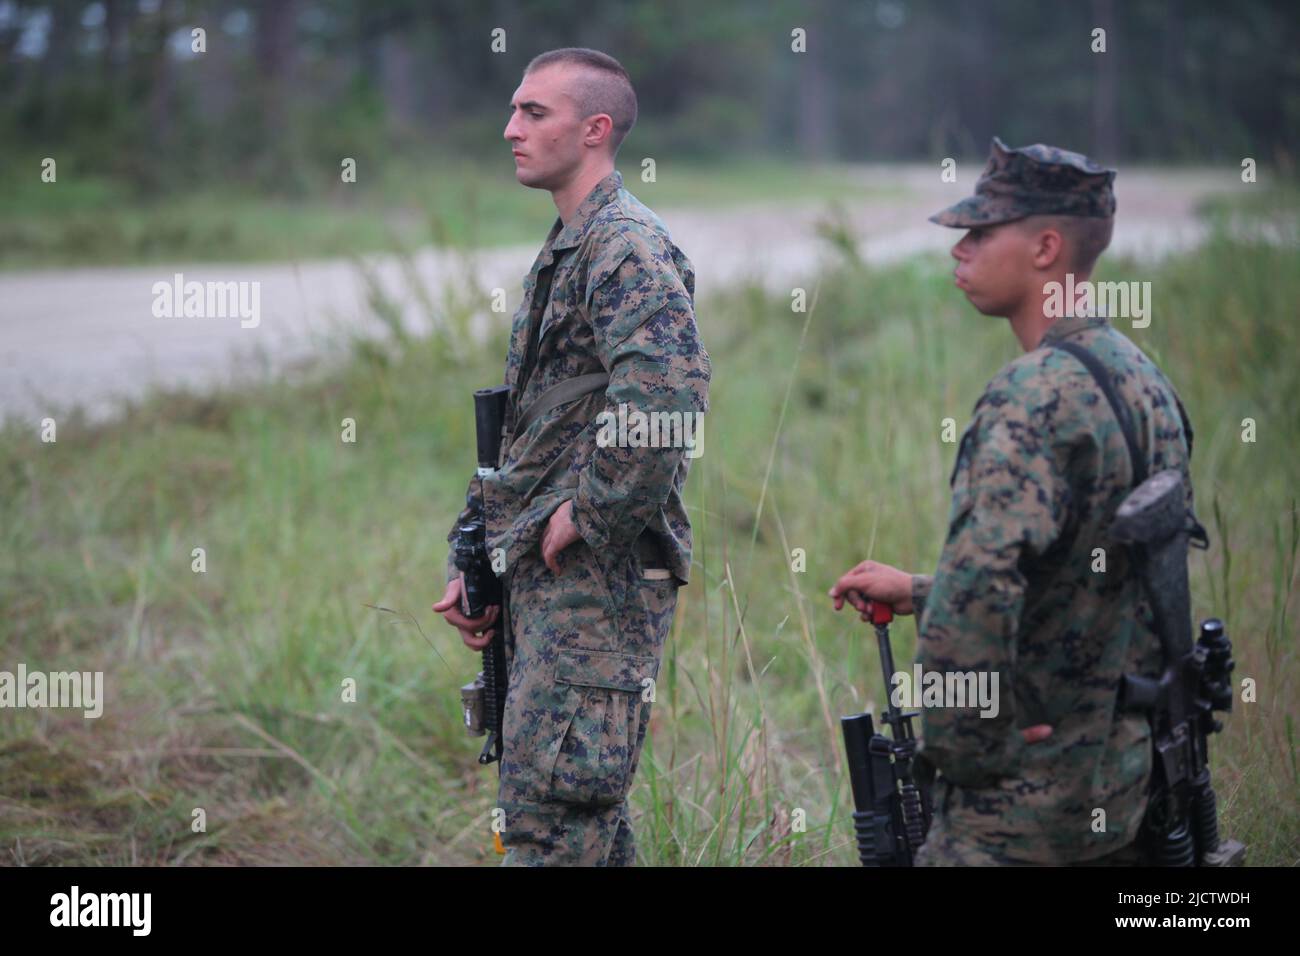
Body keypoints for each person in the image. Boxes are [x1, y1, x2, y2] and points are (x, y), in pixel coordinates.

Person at [829, 137, 1196, 865]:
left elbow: (981, 595)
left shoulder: (1029, 397)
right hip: (1119, 787)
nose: (958, 251)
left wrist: (964, 760)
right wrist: (917, 591)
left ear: (1046, 247)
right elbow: (1093, 582)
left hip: (1018, 817)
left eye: (980, 233)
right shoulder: (1141, 377)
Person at [433, 47, 710, 866]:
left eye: (534, 113)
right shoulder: (572, 245)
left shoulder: (623, 246)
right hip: (548, 576)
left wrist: (590, 514)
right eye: (514, 110)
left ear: (594, 130)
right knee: (573, 825)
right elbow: (534, 427)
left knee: (556, 822)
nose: (510, 128)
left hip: (596, 584)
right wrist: (477, 549)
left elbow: (668, 396)